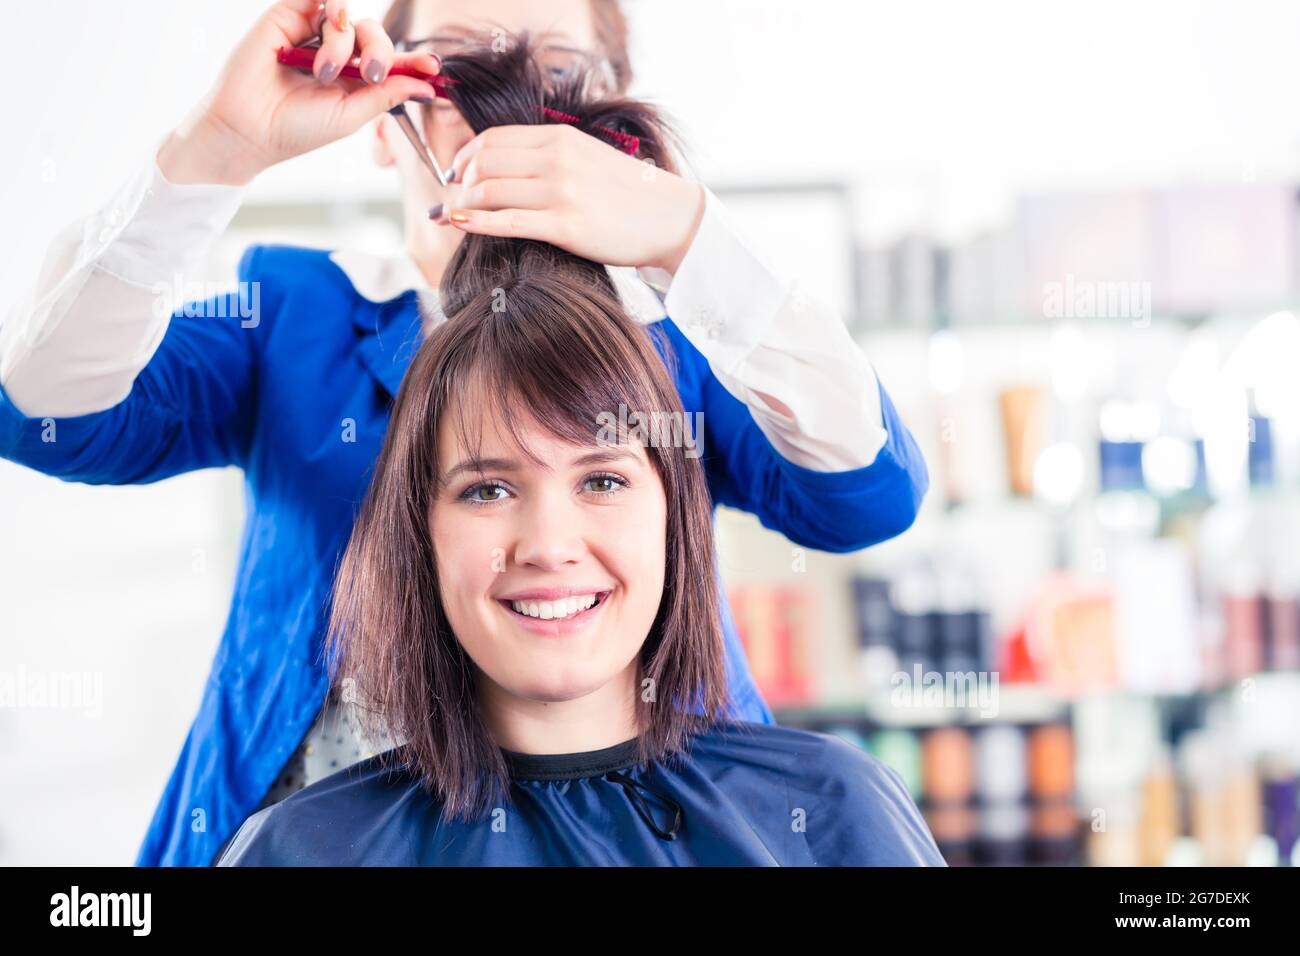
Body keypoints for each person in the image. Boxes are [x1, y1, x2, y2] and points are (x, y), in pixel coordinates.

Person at [0, 0, 927, 867]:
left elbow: (867, 497)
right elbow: (44, 414)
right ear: (378, 112)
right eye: (455, 64)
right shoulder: (297, 318)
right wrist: (217, 148)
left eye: (561, 65)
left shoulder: (681, 339)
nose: (513, 103)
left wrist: (692, 242)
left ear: (614, 102)